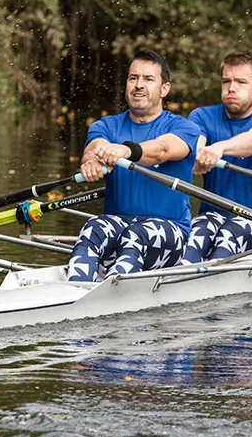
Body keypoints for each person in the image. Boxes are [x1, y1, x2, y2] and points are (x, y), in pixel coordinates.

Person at [67, 50, 200, 281]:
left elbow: (163, 150)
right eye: (133, 78)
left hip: (171, 232)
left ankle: (112, 294)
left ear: (164, 89)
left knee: (136, 235)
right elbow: (94, 147)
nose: (139, 85)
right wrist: (91, 162)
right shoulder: (106, 125)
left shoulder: (184, 128)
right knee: (93, 227)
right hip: (119, 225)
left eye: (148, 79)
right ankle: (74, 291)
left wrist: (127, 150)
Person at [180, 51, 252, 264]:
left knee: (230, 233)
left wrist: (219, 148)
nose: (231, 88)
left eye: (240, 82)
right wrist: (196, 155)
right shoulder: (201, 116)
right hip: (212, 217)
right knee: (194, 237)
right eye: (226, 81)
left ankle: (208, 282)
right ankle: (177, 276)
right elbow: (195, 143)